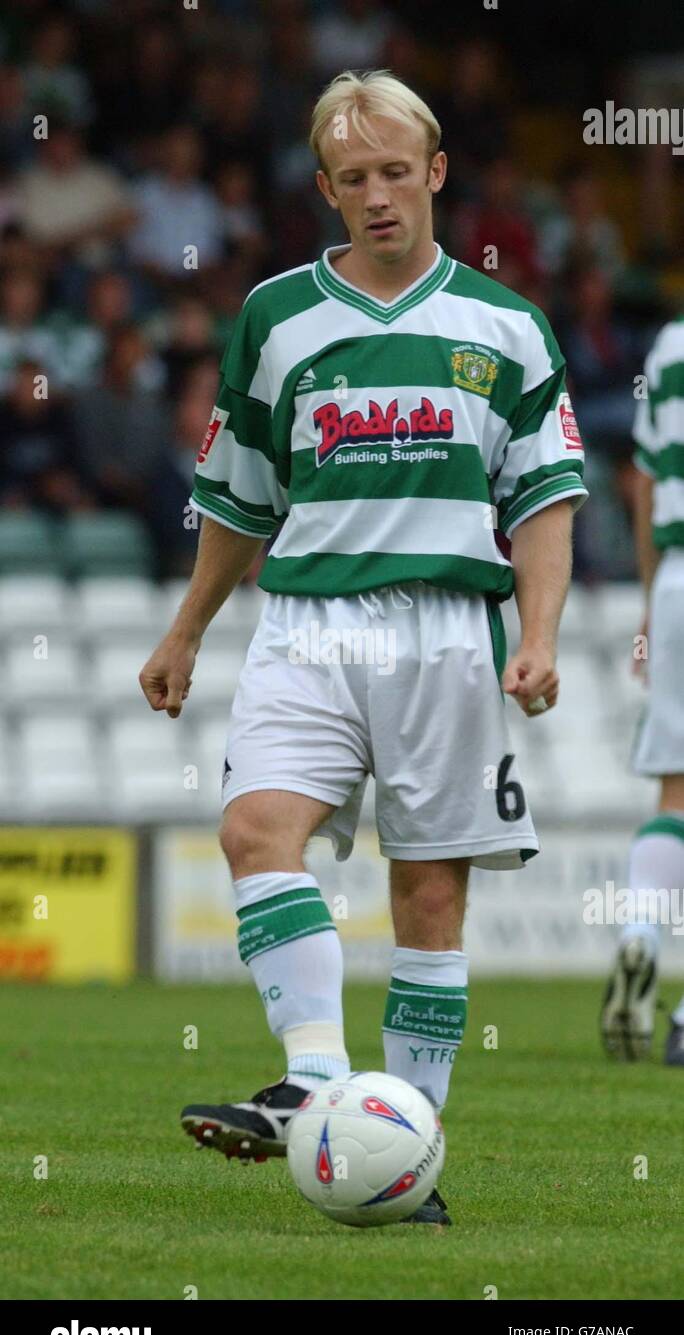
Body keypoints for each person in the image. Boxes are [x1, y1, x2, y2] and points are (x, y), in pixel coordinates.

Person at [139, 70, 588, 1226]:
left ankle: (411, 1149)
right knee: (254, 830)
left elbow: (543, 498)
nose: (379, 196)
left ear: (435, 173)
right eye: (354, 180)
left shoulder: (506, 325)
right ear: (329, 193)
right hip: (307, 623)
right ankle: (317, 1080)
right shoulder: (276, 317)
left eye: (398, 172)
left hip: (447, 626)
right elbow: (239, 499)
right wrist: (187, 628)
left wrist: (538, 637)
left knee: (428, 897)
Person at [600, 317, 684, 1065]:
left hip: (678, 583)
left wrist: (654, 606)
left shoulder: (666, 348)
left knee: (675, 793)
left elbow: (646, 483)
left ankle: (639, 937)